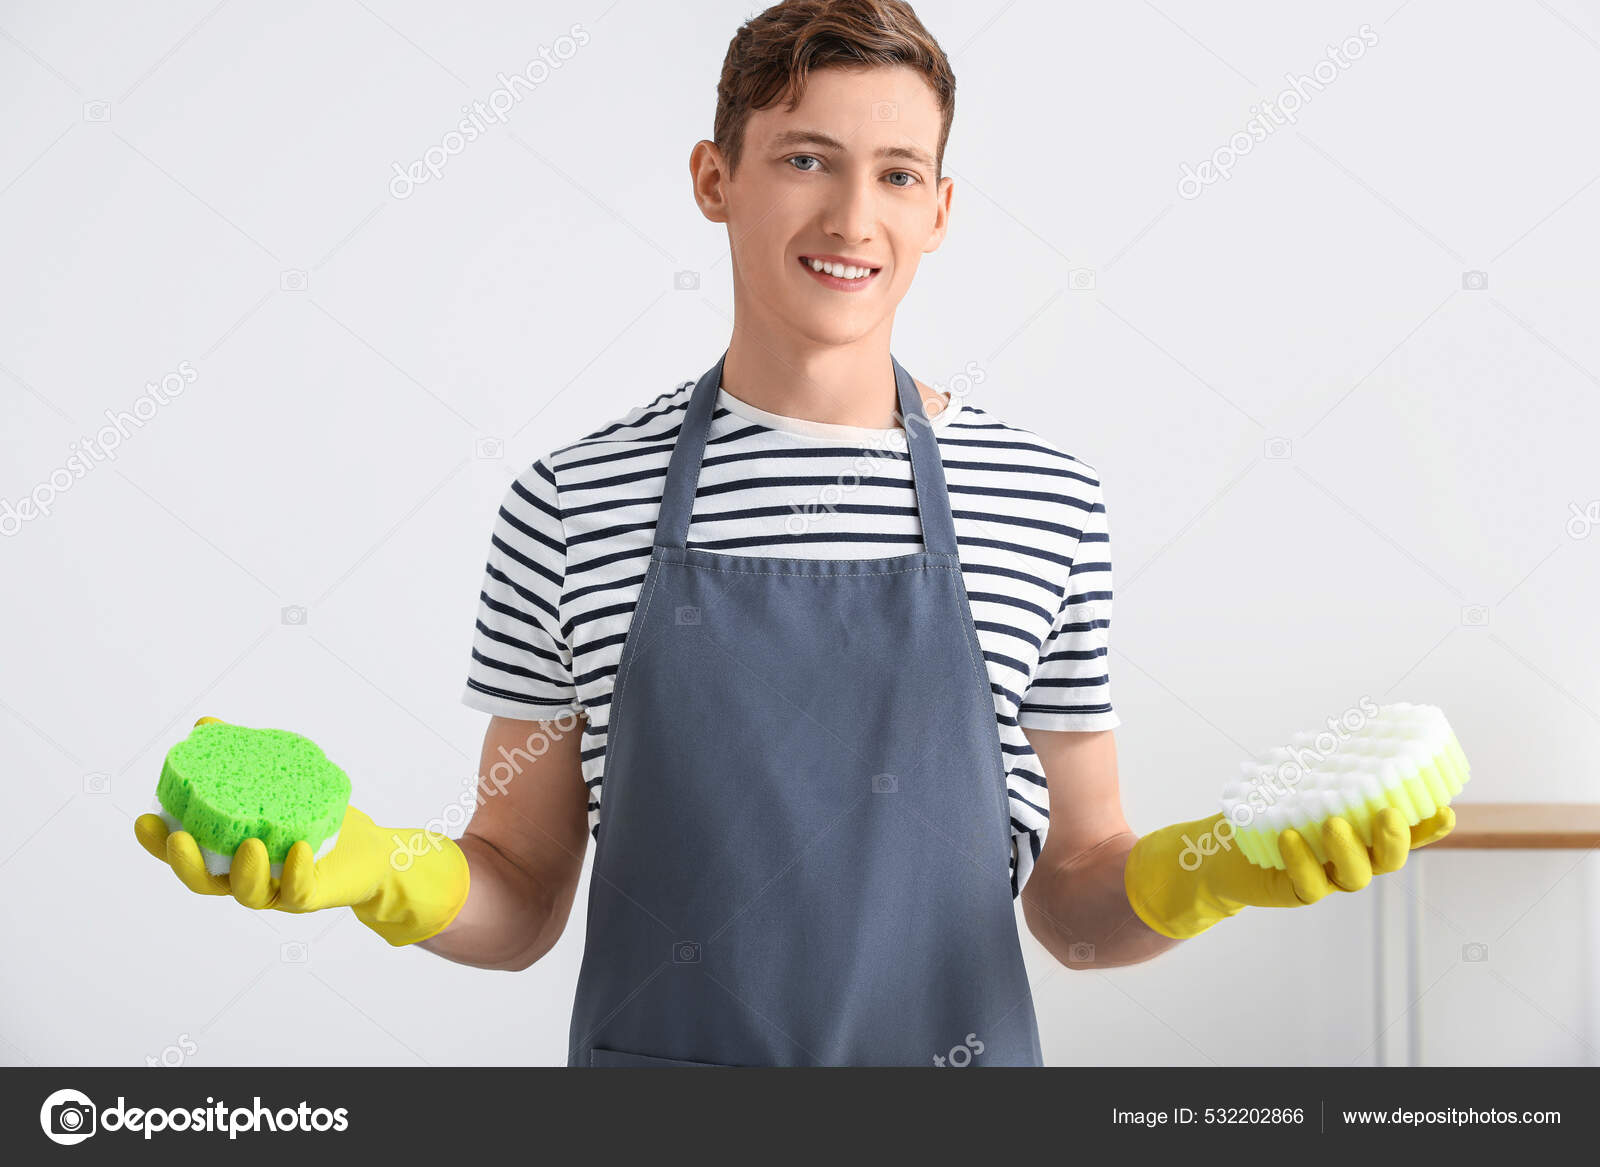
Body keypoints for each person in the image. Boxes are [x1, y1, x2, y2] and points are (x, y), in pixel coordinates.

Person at [137, 0, 1454, 1067]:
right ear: (719, 179)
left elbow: (1078, 902)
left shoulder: (1043, 500)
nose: (851, 219)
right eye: (806, 158)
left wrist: (1233, 866)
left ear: (940, 210)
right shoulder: (573, 500)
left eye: (897, 174)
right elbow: (518, 891)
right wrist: (367, 870)